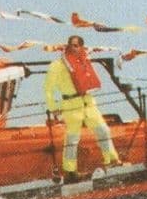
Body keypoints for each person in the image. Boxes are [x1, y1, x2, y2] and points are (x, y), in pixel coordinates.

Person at [44, 35, 122, 182]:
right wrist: (53, 107)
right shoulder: (57, 65)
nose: (74, 48)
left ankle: (111, 160)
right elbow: (48, 89)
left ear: (81, 46)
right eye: (72, 45)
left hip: (88, 103)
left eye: (77, 45)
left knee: (103, 130)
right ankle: (70, 171)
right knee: (72, 139)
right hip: (71, 106)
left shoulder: (85, 60)